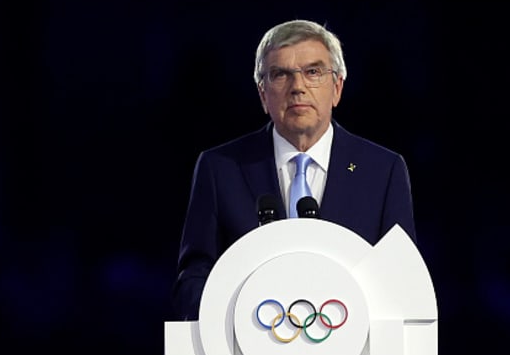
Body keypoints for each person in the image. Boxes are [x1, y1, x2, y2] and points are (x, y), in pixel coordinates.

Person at [171, 19, 417, 321]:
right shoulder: (220, 168)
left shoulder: (383, 170)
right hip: (247, 352)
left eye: (313, 72)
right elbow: (194, 281)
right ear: (263, 94)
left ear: (337, 87)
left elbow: (402, 281)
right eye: (281, 75)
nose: (298, 87)